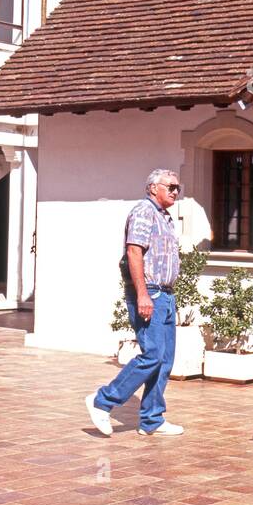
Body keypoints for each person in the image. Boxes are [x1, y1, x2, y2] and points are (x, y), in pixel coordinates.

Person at [84, 169, 184, 438]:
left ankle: (151, 418)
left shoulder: (165, 217)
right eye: (170, 187)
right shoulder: (144, 211)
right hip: (149, 291)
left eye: (178, 188)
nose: (175, 192)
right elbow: (133, 252)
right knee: (151, 354)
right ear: (153, 188)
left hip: (165, 293)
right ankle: (102, 401)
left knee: (164, 360)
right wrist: (142, 294)